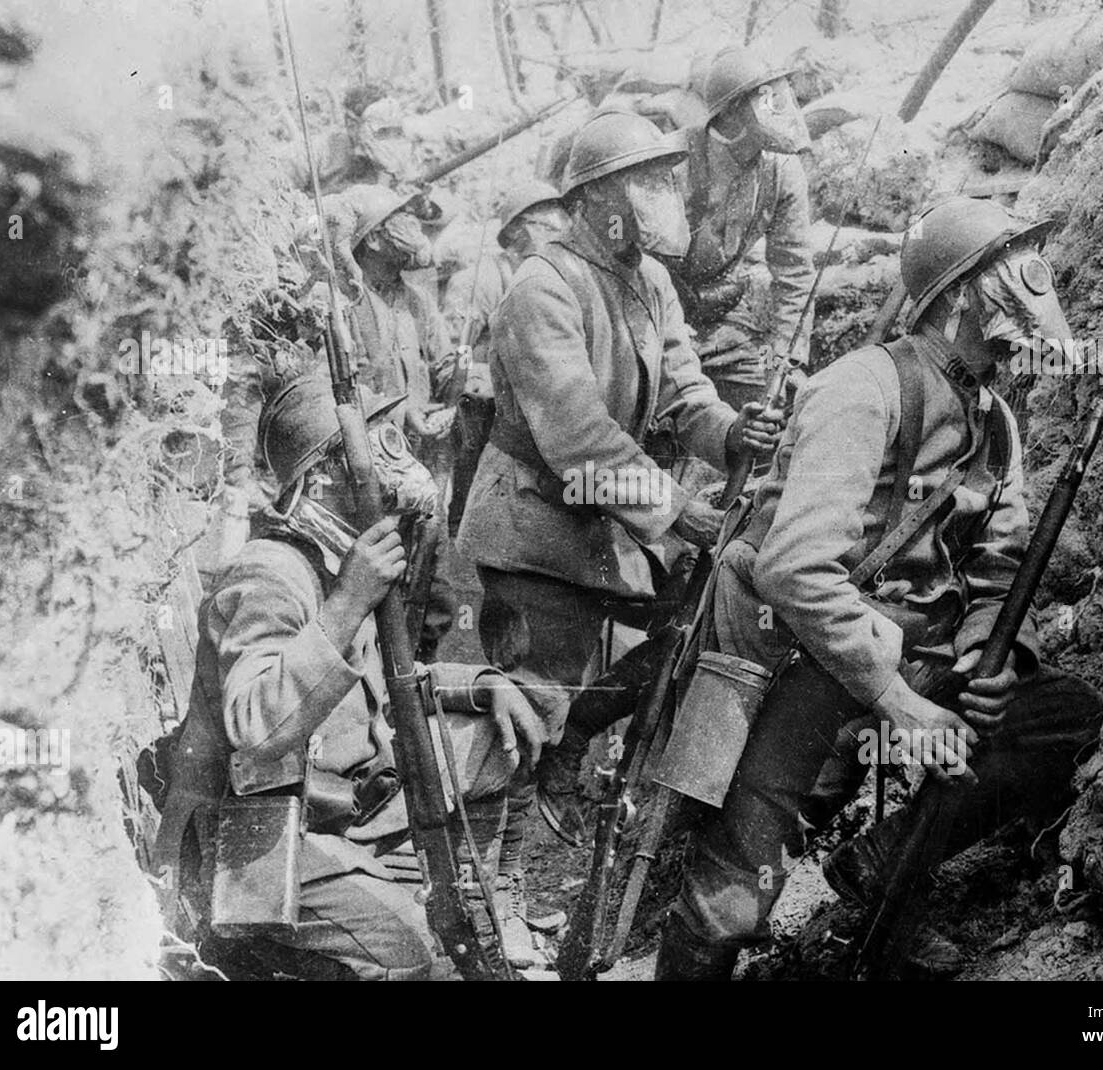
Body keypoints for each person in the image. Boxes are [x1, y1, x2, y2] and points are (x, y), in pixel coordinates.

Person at [657, 196, 1103, 980]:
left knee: (1062, 717)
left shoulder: (994, 420)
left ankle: (879, 870)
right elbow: (795, 571)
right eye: (1015, 275)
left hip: (913, 655)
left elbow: (1000, 567)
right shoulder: (862, 388)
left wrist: (987, 661)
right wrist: (900, 704)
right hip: (805, 657)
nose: (1036, 296)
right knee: (735, 894)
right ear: (962, 295)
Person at [456, 107, 786, 961]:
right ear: (602, 200)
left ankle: (565, 771)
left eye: (670, 180)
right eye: (651, 182)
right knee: (521, 710)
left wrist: (729, 434)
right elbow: (575, 439)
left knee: (697, 619)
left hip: (602, 524)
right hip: (533, 528)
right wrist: (680, 511)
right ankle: (489, 898)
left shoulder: (650, 282)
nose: (669, 196)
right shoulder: (543, 288)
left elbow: (684, 390)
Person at [154, 375, 547, 980]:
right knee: (412, 956)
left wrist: (480, 684)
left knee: (498, 735)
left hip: (344, 804)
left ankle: (449, 891)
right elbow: (256, 727)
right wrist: (348, 602)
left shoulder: (338, 558)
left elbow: (383, 680)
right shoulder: (271, 574)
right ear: (327, 476)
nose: (403, 450)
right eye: (380, 439)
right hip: (258, 838)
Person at [333, 183, 462, 660]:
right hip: (366, 477)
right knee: (372, 586)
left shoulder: (417, 301)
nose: (417, 227)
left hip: (422, 471)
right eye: (401, 220)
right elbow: (346, 393)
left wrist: (453, 384)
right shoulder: (344, 306)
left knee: (433, 589)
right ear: (373, 239)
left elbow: (442, 361)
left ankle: (419, 679)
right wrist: (404, 412)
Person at [664, 45, 816, 413]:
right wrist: (670, 334)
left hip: (723, 325)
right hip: (661, 323)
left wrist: (786, 360)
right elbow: (635, 265)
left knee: (785, 407)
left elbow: (794, 271)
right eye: (767, 100)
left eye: (781, 96)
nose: (780, 108)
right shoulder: (671, 161)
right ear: (733, 110)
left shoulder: (781, 169)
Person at [444, 180, 569, 535]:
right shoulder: (484, 277)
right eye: (545, 226)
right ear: (516, 231)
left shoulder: (551, 277)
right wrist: (472, 383)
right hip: (481, 405)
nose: (555, 234)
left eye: (559, 225)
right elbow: (458, 351)